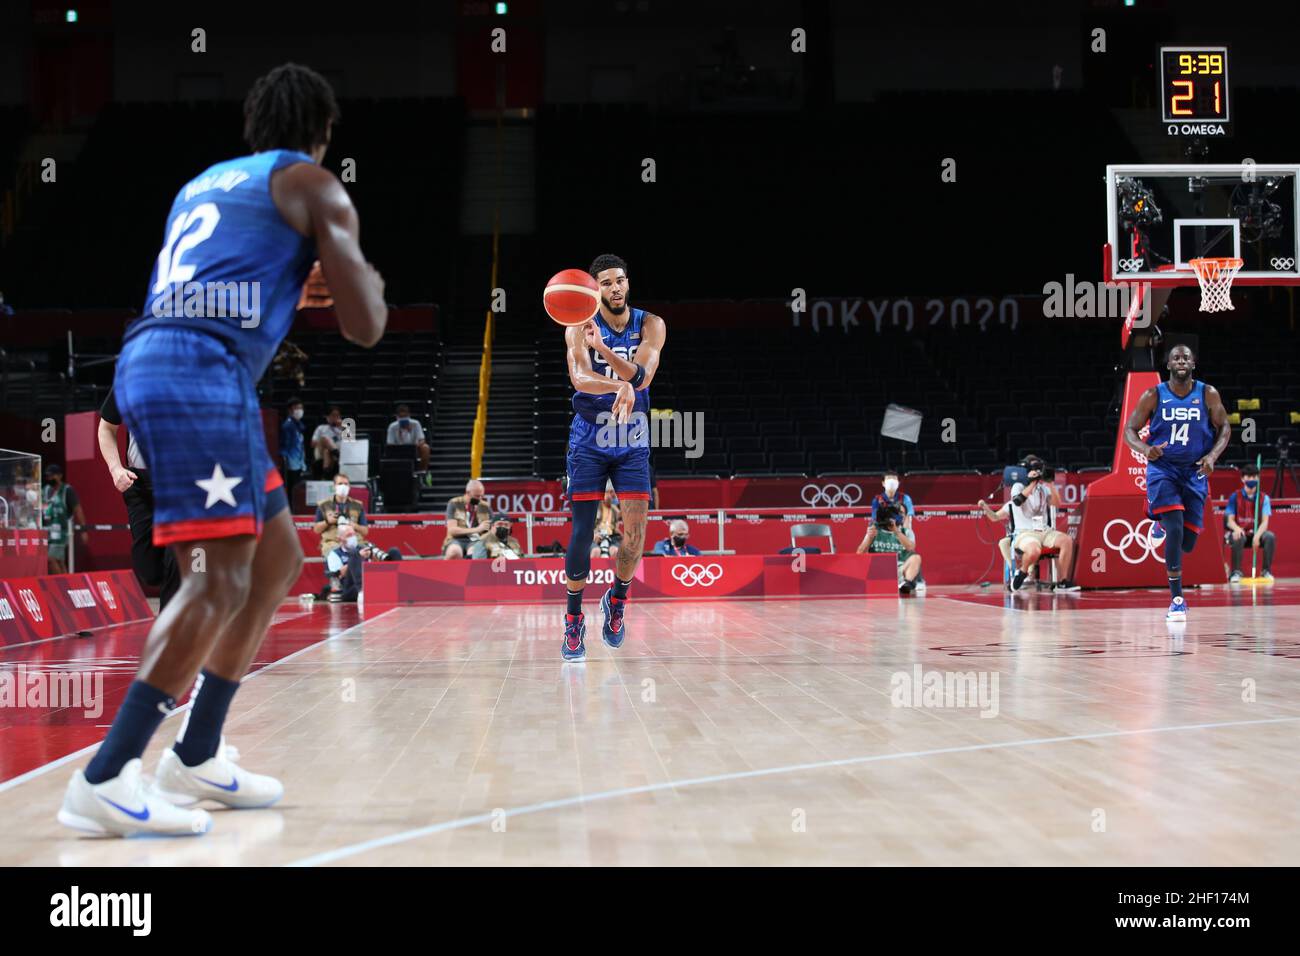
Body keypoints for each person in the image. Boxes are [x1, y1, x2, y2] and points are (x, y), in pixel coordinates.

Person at [59, 63, 387, 839]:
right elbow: (366, 325)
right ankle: (105, 776)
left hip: (178, 365)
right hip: (196, 377)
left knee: (277, 563)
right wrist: (354, 276)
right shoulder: (313, 184)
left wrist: (291, 280)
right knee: (217, 580)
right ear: (322, 132)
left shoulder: (205, 183)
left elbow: (217, 280)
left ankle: (197, 753)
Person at [561, 254, 665, 662]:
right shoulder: (577, 325)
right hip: (588, 436)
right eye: (606, 283)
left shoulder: (651, 324)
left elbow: (643, 376)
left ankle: (616, 601)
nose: (616, 288)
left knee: (636, 533)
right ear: (595, 289)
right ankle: (573, 621)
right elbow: (579, 378)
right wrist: (615, 384)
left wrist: (605, 349)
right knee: (582, 534)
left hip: (632, 436)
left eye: (620, 280)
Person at [1123, 344, 1230, 622]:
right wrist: (1146, 450)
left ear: (1193, 363)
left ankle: (1159, 523)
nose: (1181, 361)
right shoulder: (1153, 395)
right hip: (1164, 469)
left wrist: (1212, 456)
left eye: (1186, 357)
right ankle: (1177, 600)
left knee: (1188, 542)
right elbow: (1129, 430)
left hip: (1195, 471)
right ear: (1168, 365)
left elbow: (1225, 427)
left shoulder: (1208, 393)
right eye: (1175, 358)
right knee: (1175, 526)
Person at [98, 386, 181, 608]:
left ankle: (171, 629)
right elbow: (106, 428)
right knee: (149, 570)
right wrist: (116, 469)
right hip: (141, 484)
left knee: (177, 560)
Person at [979, 453, 1078, 593]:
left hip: (1044, 531)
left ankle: (1062, 582)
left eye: (1039, 469)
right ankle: (1023, 572)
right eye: (1035, 469)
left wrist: (1050, 483)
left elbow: (1057, 503)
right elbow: (1018, 502)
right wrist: (1032, 483)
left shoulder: (1043, 489)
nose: (1038, 472)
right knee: (1034, 551)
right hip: (1025, 533)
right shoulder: (1018, 486)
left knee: (1067, 540)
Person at [857, 503, 923, 594]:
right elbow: (859, 553)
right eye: (897, 513)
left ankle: (905, 585)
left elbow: (911, 548)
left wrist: (896, 531)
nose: (899, 515)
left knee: (916, 558)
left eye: (902, 513)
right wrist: (869, 537)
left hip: (898, 570)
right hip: (877, 570)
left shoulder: (906, 532)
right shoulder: (874, 530)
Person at [1225, 463, 1275, 583]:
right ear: (1243, 479)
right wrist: (1237, 529)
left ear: (1258, 478)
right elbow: (1229, 520)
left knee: (1270, 536)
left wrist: (1257, 537)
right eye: (1248, 477)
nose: (1251, 479)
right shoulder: (1234, 496)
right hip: (1240, 532)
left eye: (1254, 477)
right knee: (1237, 536)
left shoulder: (1264, 498)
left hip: (1256, 533)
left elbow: (1265, 522)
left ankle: (1266, 571)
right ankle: (1236, 572)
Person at [42, 463, 88, 574]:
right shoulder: (46, 490)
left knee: (50, 559)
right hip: (47, 531)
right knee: (60, 561)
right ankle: (67, 584)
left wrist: (83, 530)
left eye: (52, 476)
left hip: (61, 533)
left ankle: (61, 584)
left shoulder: (67, 490)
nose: (49, 478)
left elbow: (78, 510)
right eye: (48, 476)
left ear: (60, 476)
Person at [314, 472, 369, 558]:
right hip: (332, 543)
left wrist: (354, 525)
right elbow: (316, 530)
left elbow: (365, 531)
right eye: (340, 484)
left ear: (349, 487)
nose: (343, 486)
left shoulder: (358, 505)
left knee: (369, 552)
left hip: (355, 542)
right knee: (336, 555)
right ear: (334, 486)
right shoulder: (323, 505)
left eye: (346, 484)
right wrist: (328, 521)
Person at [443, 479, 492, 559]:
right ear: (468, 492)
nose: (479, 499)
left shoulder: (485, 506)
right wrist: (477, 529)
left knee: (474, 553)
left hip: (476, 540)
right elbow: (452, 530)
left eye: (481, 496)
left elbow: (492, 528)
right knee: (454, 552)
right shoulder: (454, 503)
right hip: (456, 539)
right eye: (476, 496)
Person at [279, 396, 307, 495]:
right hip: (291, 464)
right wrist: (286, 462)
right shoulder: (288, 425)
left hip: (298, 462)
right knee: (292, 489)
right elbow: (285, 445)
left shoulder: (298, 424)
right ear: (290, 410)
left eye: (301, 408)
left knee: (297, 490)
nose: (300, 410)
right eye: (296, 408)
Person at [591, 481, 622, 561]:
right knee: (596, 551)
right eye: (606, 493)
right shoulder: (595, 508)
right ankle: (592, 572)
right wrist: (593, 535)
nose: (608, 496)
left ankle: (616, 573)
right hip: (596, 536)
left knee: (615, 551)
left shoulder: (615, 510)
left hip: (611, 537)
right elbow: (587, 527)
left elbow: (616, 528)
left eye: (610, 493)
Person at [311, 405, 344, 477]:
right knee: (324, 439)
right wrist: (326, 443)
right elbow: (312, 444)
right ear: (328, 417)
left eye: (337, 415)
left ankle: (326, 473)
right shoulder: (321, 428)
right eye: (333, 415)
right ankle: (339, 455)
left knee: (327, 451)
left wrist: (342, 428)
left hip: (334, 452)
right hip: (320, 453)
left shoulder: (343, 429)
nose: (335, 418)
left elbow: (350, 444)